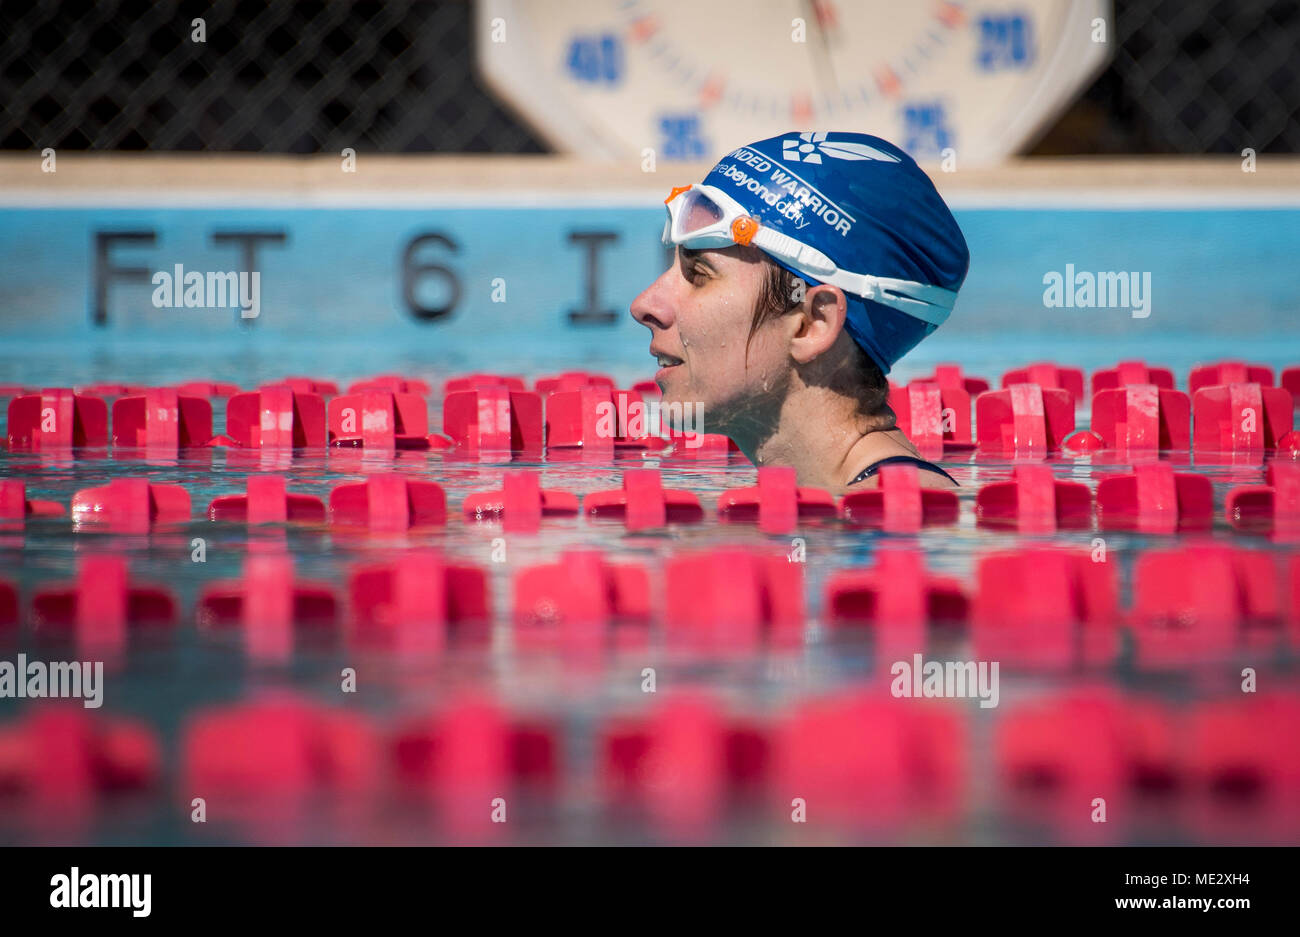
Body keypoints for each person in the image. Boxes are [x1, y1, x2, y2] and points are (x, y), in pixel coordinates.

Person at [630, 131, 969, 493]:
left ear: (813, 324)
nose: (644, 305)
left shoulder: (899, 520)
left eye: (699, 275)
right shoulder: (843, 523)